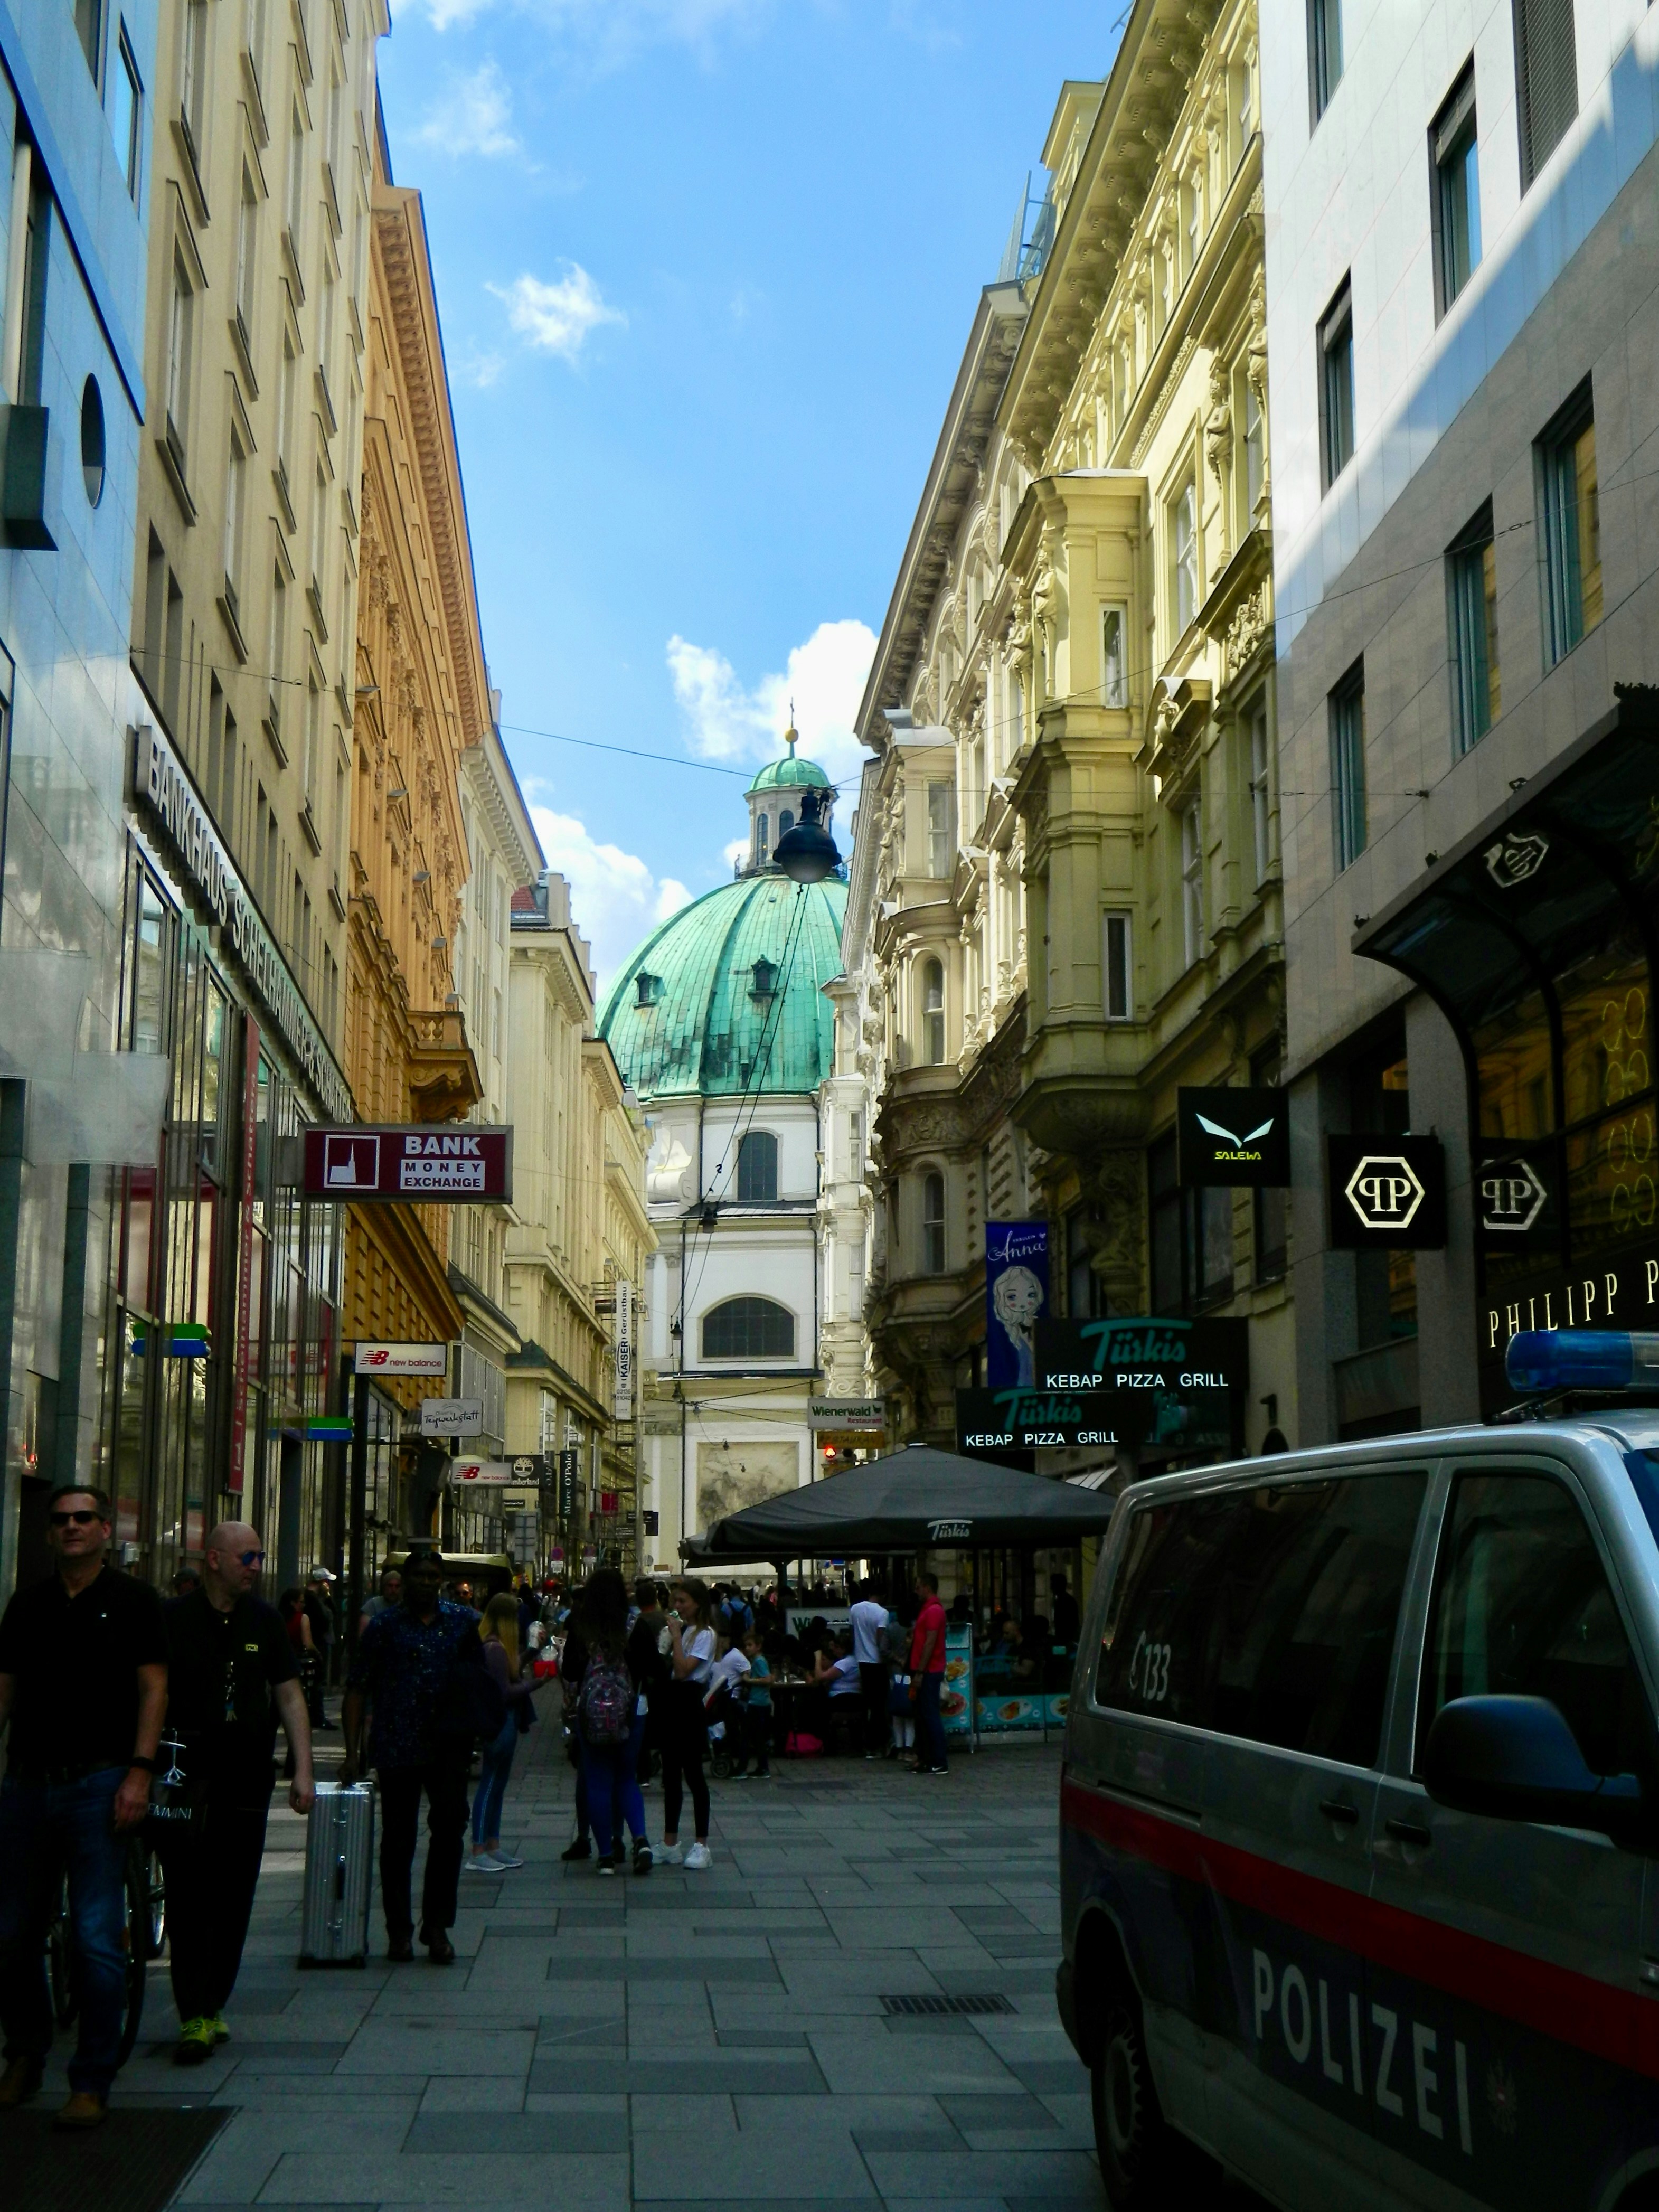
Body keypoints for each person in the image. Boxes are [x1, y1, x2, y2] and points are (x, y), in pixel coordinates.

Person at [0, 1484, 167, 2126]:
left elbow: (154, 1688)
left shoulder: (133, 1601)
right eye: (61, 1520)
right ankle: (25, 2051)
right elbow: (5, 1689)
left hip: (101, 1781)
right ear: (50, 1534)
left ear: (105, 1529)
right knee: (11, 1935)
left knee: (98, 1938)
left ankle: (91, 2078)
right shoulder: (28, 1603)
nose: (71, 1528)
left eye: (83, 1519)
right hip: (28, 1782)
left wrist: (139, 1774)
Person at [158, 1521, 315, 2063]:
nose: (255, 1565)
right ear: (215, 1559)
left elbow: (290, 1697)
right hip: (184, 1779)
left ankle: (214, 1999)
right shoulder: (173, 1619)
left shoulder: (266, 1621)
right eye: (247, 1556)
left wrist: (303, 1769)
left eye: (260, 1556)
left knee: (234, 1896)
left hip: (246, 1779)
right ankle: (194, 2012)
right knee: (187, 1894)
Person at [342, 1545, 480, 1963]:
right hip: (396, 1743)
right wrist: (353, 1752)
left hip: (449, 1746)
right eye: (418, 1575)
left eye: (433, 1577)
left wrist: (479, 1730)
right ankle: (398, 1930)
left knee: (449, 1834)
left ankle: (436, 1927)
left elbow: (477, 1682)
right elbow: (358, 1687)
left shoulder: (461, 1622)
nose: (426, 1583)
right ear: (405, 1579)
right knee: (397, 1841)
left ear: (442, 1581)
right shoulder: (383, 1626)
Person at [563, 1570, 654, 1876]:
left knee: (598, 1783)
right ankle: (640, 1840)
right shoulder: (634, 1626)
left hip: (592, 1718)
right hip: (631, 1714)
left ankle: (604, 1857)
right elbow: (652, 1667)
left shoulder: (581, 1627)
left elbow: (571, 1672)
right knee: (627, 1779)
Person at [464, 1594, 544, 1873]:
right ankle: (479, 1848)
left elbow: (508, 1672)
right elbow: (505, 1692)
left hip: (501, 1723)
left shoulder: (492, 1646)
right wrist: (539, 1683)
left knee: (496, 1785)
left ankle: (492, 1845)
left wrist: (532, 1653)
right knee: (490, 1784)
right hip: (500, 1723)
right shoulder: (495, 1648)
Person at [660, 1578, 715, 1868]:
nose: (677, 1606)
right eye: (675, 1601)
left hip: (690, 1702)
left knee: (693, 1774)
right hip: (673, 1703)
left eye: (683, 1602)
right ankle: (670, 1842)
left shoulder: (705, 1634)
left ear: (697, 1604)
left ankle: (701, 1844)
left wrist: (677, 1638)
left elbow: (683, 1671)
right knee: (670, 1774)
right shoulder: (683, 1631)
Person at [908, 1571, 949, 1776]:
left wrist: (920, 1672)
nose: (916, 1591)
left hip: (930, 1671)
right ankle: (928, 1758)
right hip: (926, 1669)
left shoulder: (933, 1610)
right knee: (925, 1716)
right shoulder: (929, 1609)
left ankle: (939, 1760)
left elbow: (930, 1642)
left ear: (927, 1587)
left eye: (918, 1587)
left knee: (931, 1715)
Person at [849, 1581, 891, 1762]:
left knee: (866, 1702)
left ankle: (866, 1744)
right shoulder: (883, 1613)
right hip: (878, 1662)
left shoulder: (855, 1609)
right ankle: (879, 1744)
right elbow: (881, 1638)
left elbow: (852, 1633)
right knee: (879, 1705)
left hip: (861, 1660)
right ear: (883, 1596)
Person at [730, 1630, 772, 1778]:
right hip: (760, 1703)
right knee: (758, 1738)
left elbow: (767, 1679)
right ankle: (763, 1767)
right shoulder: (757, 1661)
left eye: (750, 1645)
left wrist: (749, 1681)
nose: (747, 1648)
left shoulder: (759, 1662)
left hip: (757, 1703)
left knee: (747, 1736)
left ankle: (742, 1768)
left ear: (758, 1646)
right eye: (746, 1645)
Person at [303, 1571, 336, 1727]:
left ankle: (317, 1715)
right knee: (318, 1681)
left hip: (322, 1641)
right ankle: (317, 1716)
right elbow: (324, 1620)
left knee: (318, 1681)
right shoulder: (312, 1600)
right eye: (327, 1582)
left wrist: (328, 1597)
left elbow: (333, 1614)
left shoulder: (320, 1599)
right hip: (318, 1643)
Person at [359, 1565, 402, 1637]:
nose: (393, 1590)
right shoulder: (373, 1605)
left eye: (397, 1586)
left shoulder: (405, 1606)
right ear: (384, 1587)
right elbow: (362, 1631)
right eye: (390, 1586)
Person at [1050, 1573, 1081, 1648]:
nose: (1051, 1587)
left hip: (1066, 1641)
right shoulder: (1064, 1600)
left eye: (1053, 1584)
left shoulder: (1064, 1601)